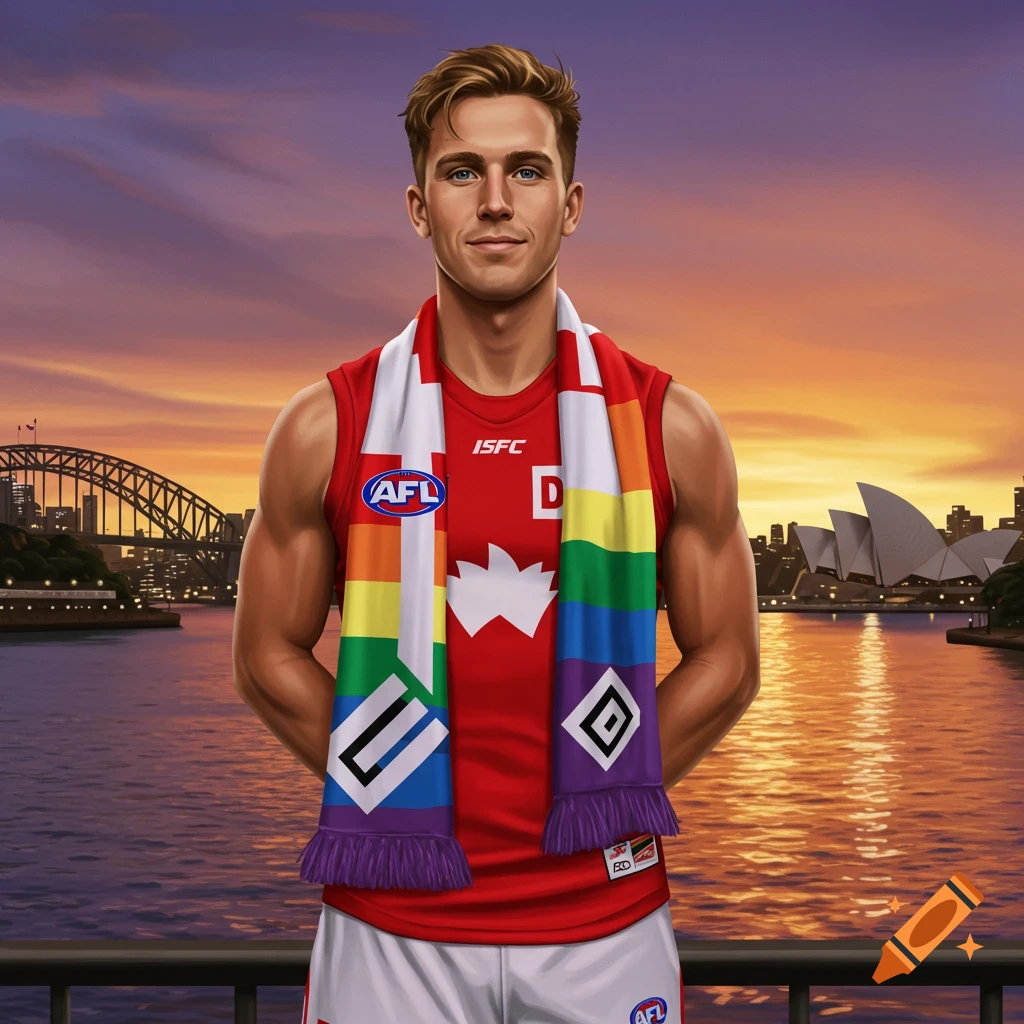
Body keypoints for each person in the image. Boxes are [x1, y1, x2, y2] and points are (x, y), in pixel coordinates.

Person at [232, 43, 760, 1024]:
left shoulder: (666, 424)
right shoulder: (328, 423)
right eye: (460, 170)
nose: (494, 200)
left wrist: (608, 791)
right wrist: (389, 787)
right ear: (418, 205)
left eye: (526, 169)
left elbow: (726, 657)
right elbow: (266, 654)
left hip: (603, 920)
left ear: (570, 203)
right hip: (392, 926)